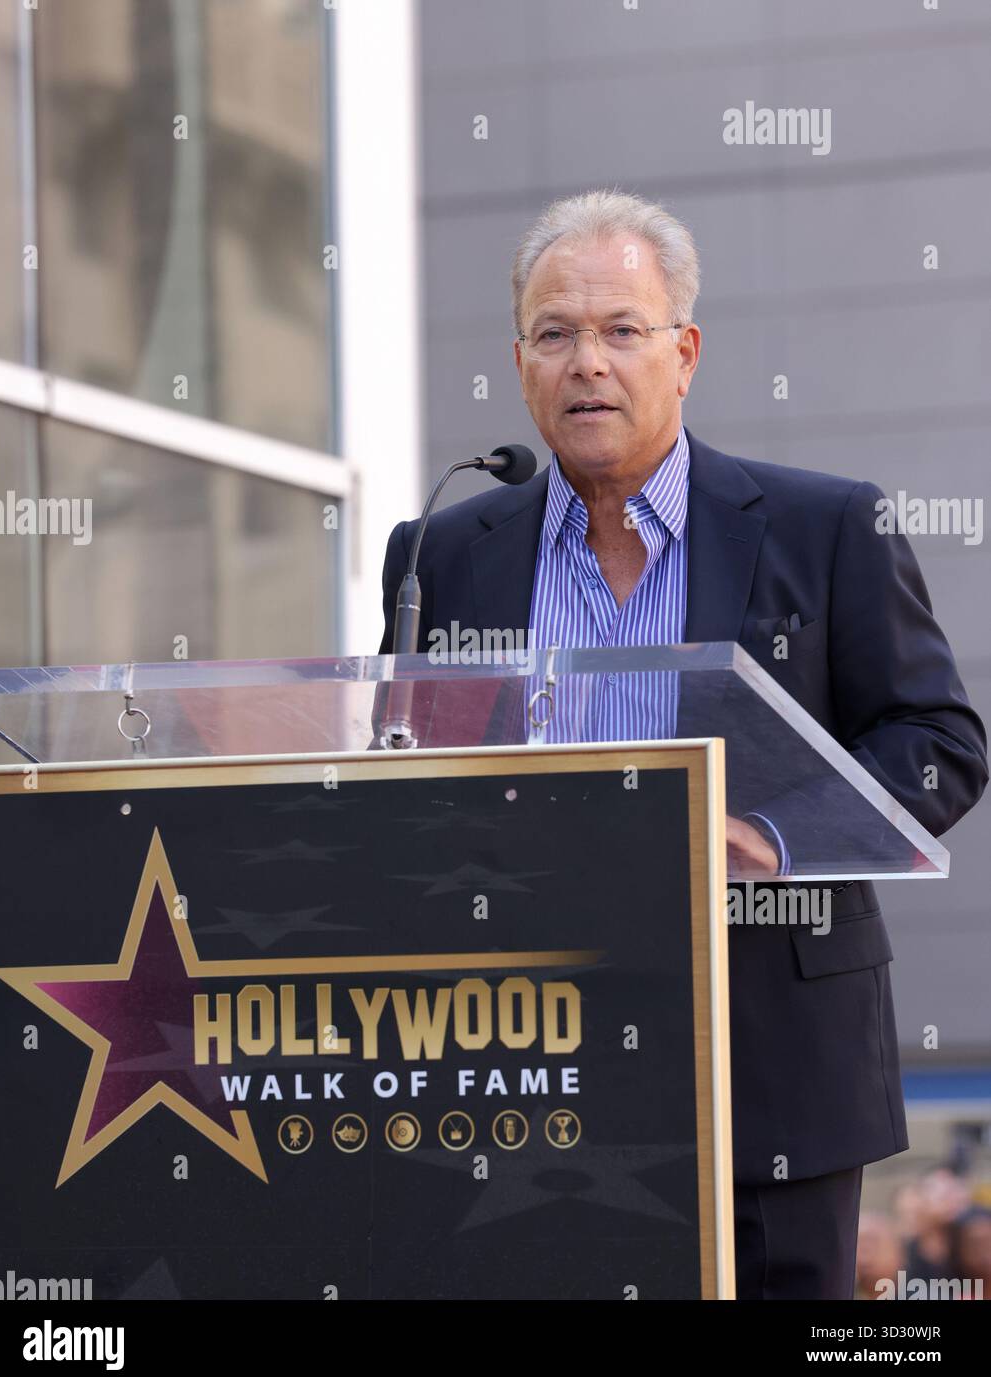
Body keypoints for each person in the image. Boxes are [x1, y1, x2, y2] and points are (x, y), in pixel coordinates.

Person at [377, 189, 989, 1297]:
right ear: (519, 363)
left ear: (685, 353)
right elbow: (403, 773)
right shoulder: (443, 554)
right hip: (526, 1061)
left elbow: (939, 740)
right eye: (555, 334)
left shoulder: (823, 526)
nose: (588, 362)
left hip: (769, 1055)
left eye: (622, 330)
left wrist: (772, 835)